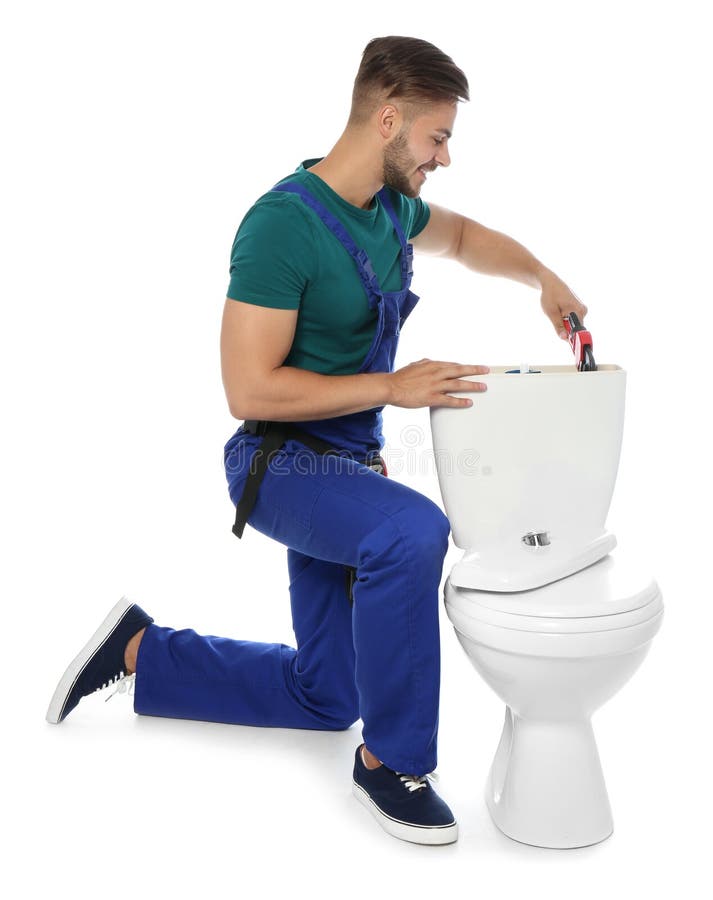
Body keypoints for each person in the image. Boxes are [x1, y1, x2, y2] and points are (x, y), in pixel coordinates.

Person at [46, 35, 587, 846]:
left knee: (325, 695)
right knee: (411, 530)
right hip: (280, 464)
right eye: (437, 137)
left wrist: (544, 279)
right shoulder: (281, 226)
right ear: (390, 119)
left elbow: (468, 239)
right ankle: (391, 763)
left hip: (347, 470)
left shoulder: (388, 211)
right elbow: (248, 387)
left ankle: (139, 652)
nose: (443, 157)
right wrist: (390, 388)